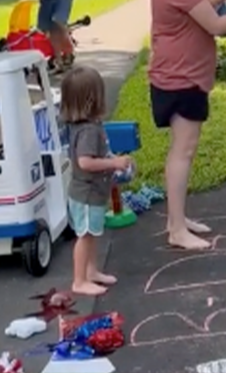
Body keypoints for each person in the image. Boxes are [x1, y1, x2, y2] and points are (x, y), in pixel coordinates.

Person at [145, 0, 226, 250]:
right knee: (183, 150)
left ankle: (178, 217)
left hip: (177, 74)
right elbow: (216, 26)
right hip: (180, 77)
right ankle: (176, 229)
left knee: (182, 149)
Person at [59, 65, 132, 296]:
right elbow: (85, 162)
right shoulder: (88, 131)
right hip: (87, 193)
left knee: (90, 235)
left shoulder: (85, 126)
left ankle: (91, 272)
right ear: (92, 99)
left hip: (90, 192)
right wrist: (114, 164)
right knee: (86, 236)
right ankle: (79, 281)